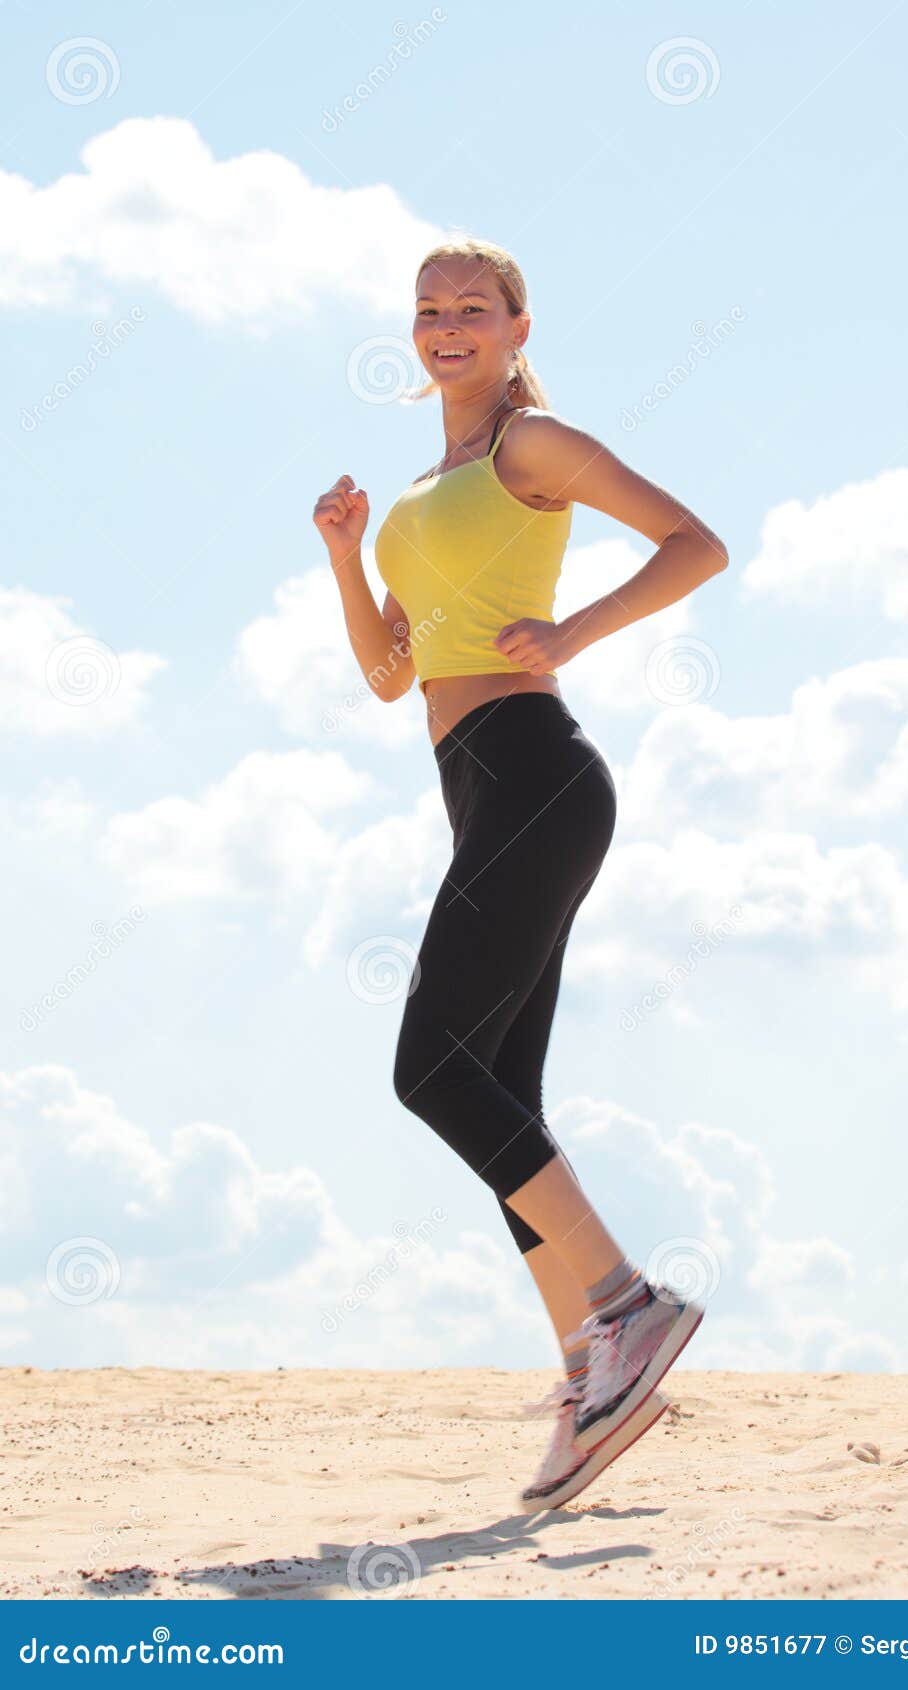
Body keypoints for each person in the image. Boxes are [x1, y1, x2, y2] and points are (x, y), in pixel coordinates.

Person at [313, 236, 729, 1511]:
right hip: (477, 788)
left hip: (538, 771)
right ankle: (586, 1370)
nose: (448, 327)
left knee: (428, 1070)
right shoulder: (423, 486)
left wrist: (572, 632)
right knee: (498, 1096)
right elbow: (392, 675)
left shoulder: (527, 450)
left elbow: (692, 544)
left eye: (472, 309)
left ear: (514, 323)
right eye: (429, 310)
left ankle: (624, 1305)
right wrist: (345, 548)